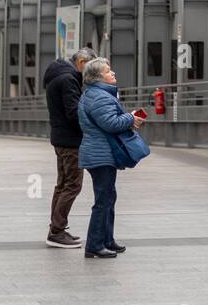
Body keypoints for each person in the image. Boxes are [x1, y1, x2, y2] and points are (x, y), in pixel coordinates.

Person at [77, 58, 145, 260]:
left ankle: (106, 240)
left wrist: (128, 119)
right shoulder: (100, 97)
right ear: (98, 77)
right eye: (108, 71)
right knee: (103, 200)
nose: (113, 73)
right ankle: (95, 245)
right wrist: (130, 118)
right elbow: (110, 123)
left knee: (108, 197)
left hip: (99, 153)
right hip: (100, 155)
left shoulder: (95, 94)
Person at [41, 46, 95, 249]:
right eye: (89, 69)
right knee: (72, 184)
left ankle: (57, 228)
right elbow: (73, 112)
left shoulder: (58, 74)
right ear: (81, 63)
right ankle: (56, 231)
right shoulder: (69, 79)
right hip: (71, 140)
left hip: (60, 137)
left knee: (62, 184)